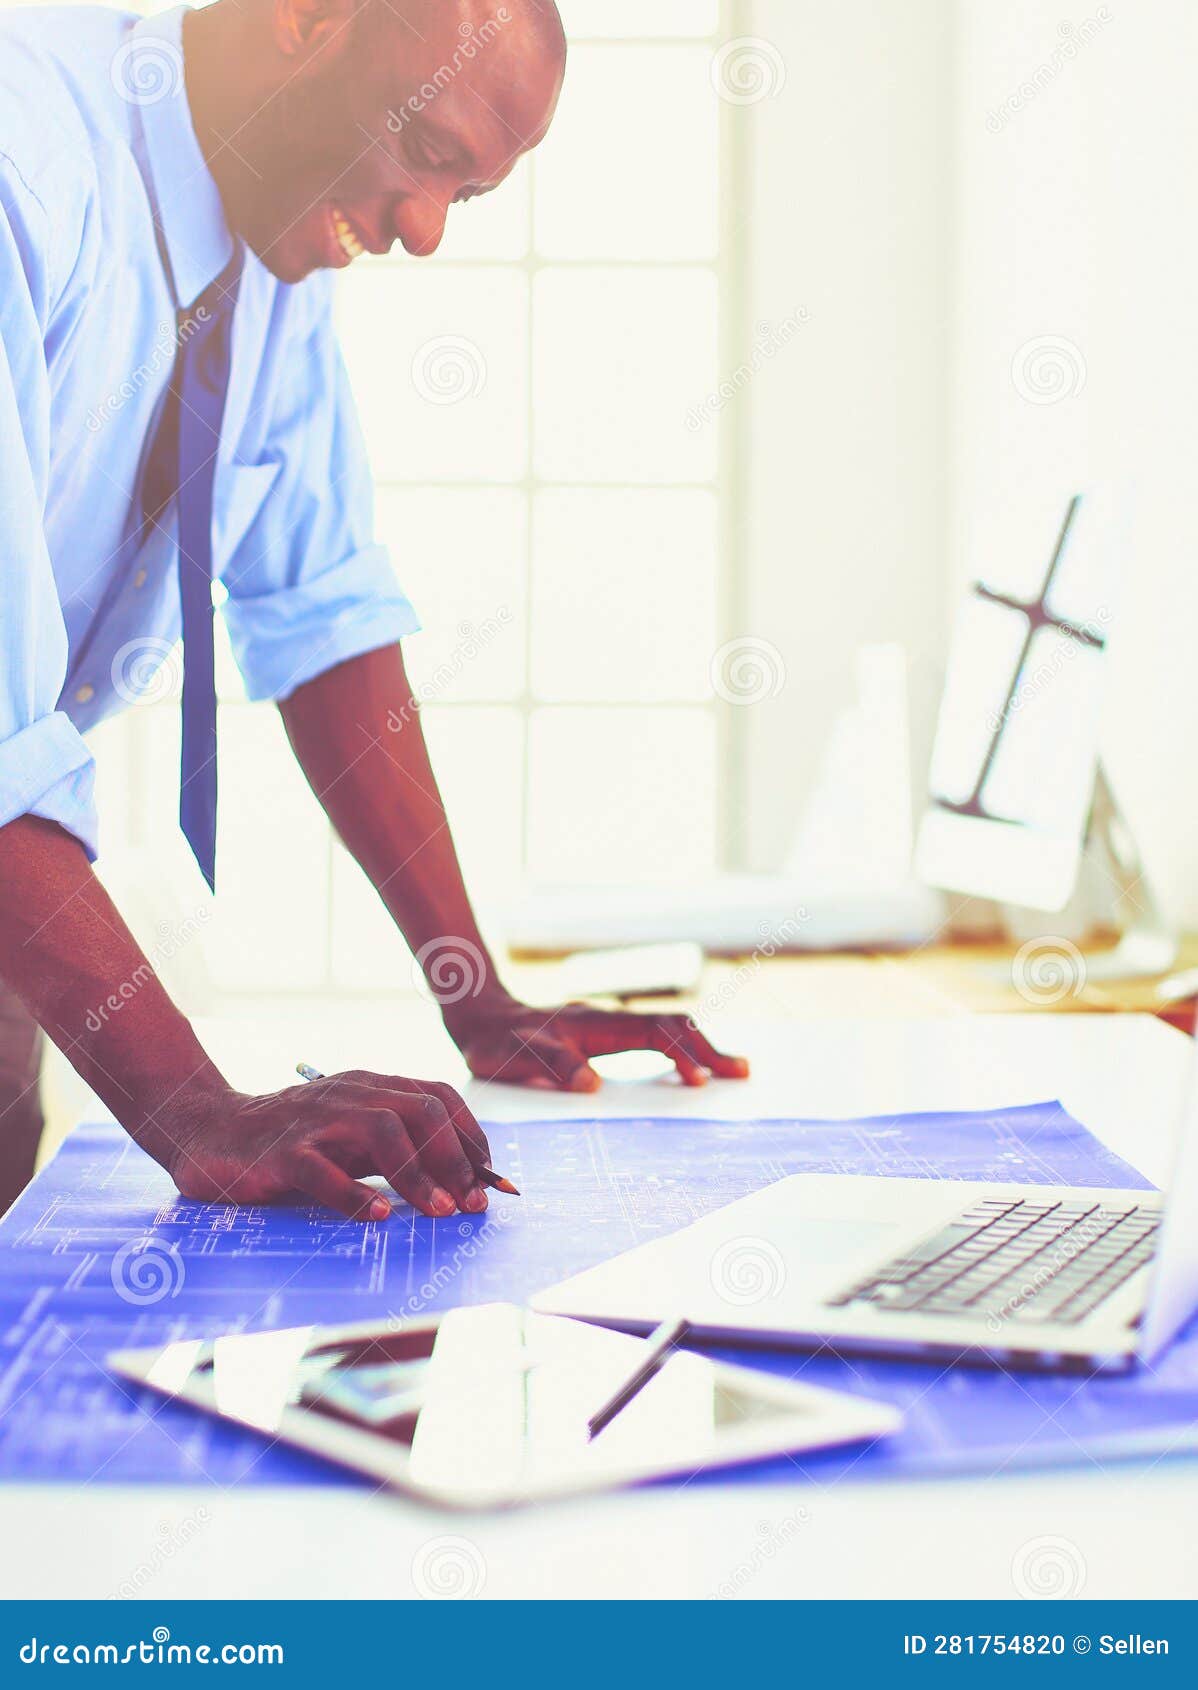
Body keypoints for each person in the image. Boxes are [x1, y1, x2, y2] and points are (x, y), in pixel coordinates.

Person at [0, 0, 747, 1221]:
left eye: (470, 195)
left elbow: (323, 609)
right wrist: (198, 1109)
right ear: (309, 20)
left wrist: (480, 1001)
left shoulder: (274, 236)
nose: (425, 229)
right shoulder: (24, 164)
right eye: (434, 156)